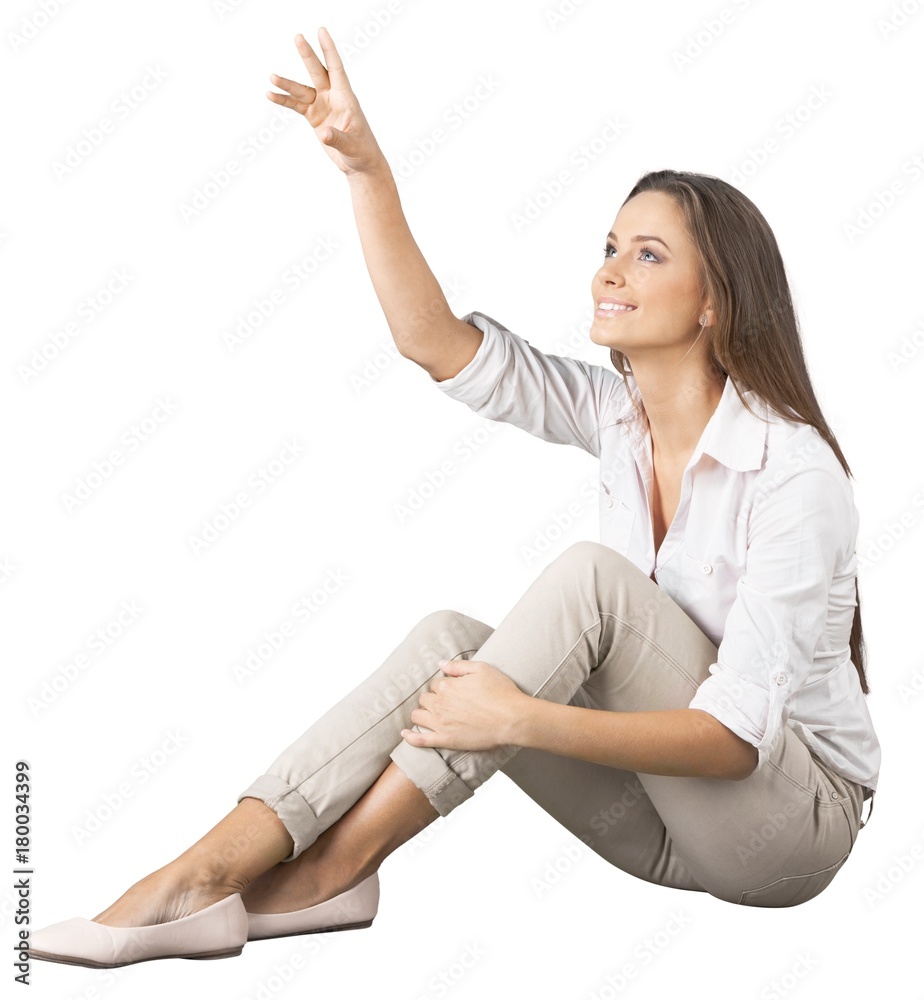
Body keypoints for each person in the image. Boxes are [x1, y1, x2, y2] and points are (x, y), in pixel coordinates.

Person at [29, 27, 880, 970]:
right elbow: (434, 341)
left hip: (789, 831)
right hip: (660, 827)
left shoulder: (794, 473)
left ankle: (327, 870)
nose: (607, 270)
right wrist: (364, 169)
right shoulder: (618, 416)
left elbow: (731, 743)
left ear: (715, 301)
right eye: (609, 246)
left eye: (646, 256)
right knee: (450, 642)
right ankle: (214, 866)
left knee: (589, 588)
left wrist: (519, 720)